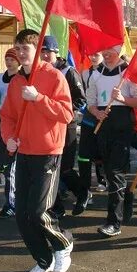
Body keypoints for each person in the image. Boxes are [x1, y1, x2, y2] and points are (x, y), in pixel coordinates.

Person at [0, 28, 75, 272]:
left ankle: (63, 244)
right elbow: (7, 116)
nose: (21, 53)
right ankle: (43, 259)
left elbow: (66, 114)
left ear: (38, 50)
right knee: (21, 214)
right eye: (17, 48)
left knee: (38, 211)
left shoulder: (54, 77)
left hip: (48, 152)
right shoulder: (16, 81)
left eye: (26, 48)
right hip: (24, 152)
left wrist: (39, 98)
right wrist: (8, 138)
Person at [87, 44, 137, 237]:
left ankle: (114, 222)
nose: (106, 54)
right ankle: (126, 198)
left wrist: (122, 98)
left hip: (122, 128)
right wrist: (96, 112)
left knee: (115, 172)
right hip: (104, 126)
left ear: (119, 49)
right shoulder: (96, 73)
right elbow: (90, 102)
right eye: (104, 51)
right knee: (109, 172)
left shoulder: (128, 72)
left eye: (110, 50)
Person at [39, 36, 90, 217]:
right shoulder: (40, 72)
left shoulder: (69, 71)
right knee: (50, 168)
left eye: (48, 52)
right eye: (42, 52)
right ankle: (57, 208)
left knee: (65, 168)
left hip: (65, 125)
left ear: (56, 52)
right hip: (46, 126)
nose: (45, 56)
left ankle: (83, 193)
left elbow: (81, 99)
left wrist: (63, 111)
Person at [0, 47, 21, 218]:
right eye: (7, 59)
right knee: (3, 164)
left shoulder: (21, 79)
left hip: (17, 126)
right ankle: (13, 198)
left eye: (12, 59)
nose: (9, 62)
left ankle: (12, 203)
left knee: (12, 168)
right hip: (1, 124)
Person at [78, 51, 108, 196]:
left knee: (100, 151)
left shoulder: (108, 72)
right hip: (89, 117)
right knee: (84, 153)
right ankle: (85, 188)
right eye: (91, 54)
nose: (93, 57)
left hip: (104, 118)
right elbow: (83, 94)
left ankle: (102, 179)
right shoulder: (85, 73)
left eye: (97, 54)